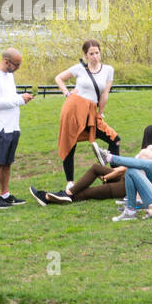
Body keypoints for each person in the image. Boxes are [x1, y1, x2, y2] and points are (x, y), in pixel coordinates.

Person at [33, 127, 152, 206]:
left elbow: (123, 169)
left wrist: (108, 177)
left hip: (126, 186)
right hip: (123, 178)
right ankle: (65, 194)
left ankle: (51, 196)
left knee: (88, 192)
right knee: (95, 169)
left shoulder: (147, 155)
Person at [55, 39, 121, 192]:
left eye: (97, 53)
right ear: (85, 55)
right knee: (69, 142)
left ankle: (113, 177)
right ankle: (70, 182)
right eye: (91, 54)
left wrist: (101, 113)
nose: (94, 56)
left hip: (91, 111)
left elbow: (104, 94)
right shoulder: (79, 68)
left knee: (114, 139)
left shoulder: (108, 70)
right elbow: (59, 78)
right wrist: (67, 93)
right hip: (74, 108)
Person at [0, 47, 33, 209]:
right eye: (16, 65)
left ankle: (5, 194)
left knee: (7, 163)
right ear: (6, 61)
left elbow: (10, 97)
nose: (18, 68)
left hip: (12, 125)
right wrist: (20, 99)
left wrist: (21, 98)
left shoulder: (8, 76)